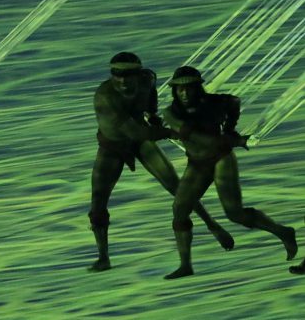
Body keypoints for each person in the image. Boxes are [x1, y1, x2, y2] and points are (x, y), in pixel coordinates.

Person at [88, 52, 232, 271]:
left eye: (128, 74)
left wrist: (152, 113)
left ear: (138, 74)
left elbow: (150, 98)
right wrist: (169, 132)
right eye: (117, 74)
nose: (122, 79)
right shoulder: (105, 97)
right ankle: (103, 257)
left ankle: (213, 225)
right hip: (113, 145)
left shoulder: (147, 79)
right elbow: (135, 132)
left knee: (177, 187)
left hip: (138, 140)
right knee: (98, 201)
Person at [164, 66, 295, 279]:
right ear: (175, 91)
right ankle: (185, 265)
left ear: (198, 88)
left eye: (189, 88)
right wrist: (237, 140)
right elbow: (200, 138)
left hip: (221, 159)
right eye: (180, 89)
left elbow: (234, 102)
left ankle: (283, 231)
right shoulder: (171, 113)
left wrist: (230, 128)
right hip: (198, 162)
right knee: (179, 209)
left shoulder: (213, 103)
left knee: (235, 213)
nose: (184, 93)